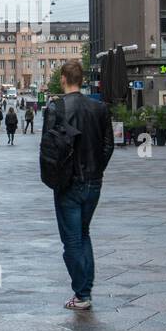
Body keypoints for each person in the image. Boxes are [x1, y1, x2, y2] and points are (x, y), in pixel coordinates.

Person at [42, 60, 113, 310]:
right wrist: (96, 169)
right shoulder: (100, 108)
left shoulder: (56, 108)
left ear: (63, 78)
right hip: (93, 182)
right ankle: (86, 289)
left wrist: (55, 179)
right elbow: (108, 145)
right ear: (81, 79)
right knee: (84, 234)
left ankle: (82, 294)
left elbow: (48, 149)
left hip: (68, 183)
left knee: (72, 240)